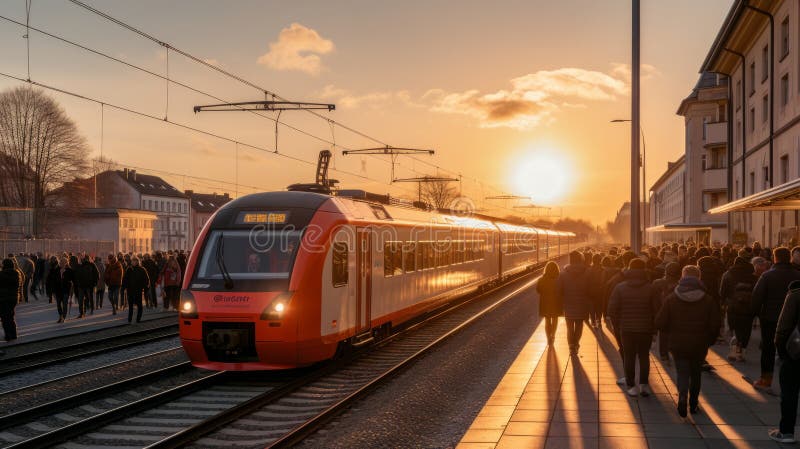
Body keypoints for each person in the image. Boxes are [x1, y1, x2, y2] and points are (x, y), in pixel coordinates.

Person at [655, 265, 720, 417]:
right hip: (699, 343)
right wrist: (709, 340)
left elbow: (660, 322)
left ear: (682, 277)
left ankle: (682, 396)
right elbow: (715, 324)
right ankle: (694, 403)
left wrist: (668, 333)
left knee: (682, 372)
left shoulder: (671, 298)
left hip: (678, 343)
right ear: (699, 278)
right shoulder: (708, 299)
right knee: (696, 373)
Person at [607, 258, 660, 397]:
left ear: (629, 269)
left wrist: (618, 324)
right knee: (644, 356)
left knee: (629, 356)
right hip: (645, 329)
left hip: (626, 329)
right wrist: (654, 329)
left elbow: (612, 309)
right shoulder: (651, 288)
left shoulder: (620, 287)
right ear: (644, 270)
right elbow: (657, 310)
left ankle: (631, 386)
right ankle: (643, 384)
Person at [751, 247, 800, 391]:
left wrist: (755, 314)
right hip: (793, 319)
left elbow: (757, 297)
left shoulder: (767, 276)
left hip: (770, 318)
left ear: (775, 258)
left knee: (768, 349)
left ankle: (766, 380)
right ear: (789, 258)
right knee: (793, 349)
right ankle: (792, 380)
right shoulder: (798, 275)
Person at [770, 280, 800, 443]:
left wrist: (782, 353)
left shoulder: (795, 295)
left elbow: (783, 328)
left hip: (796, 353)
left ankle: (787, 432)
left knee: (789, 392)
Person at [720, 256, 758, 362]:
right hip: (748, 308)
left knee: (735, 330)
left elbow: (722, 291)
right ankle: (740, 352)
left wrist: (723, 302)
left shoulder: (728, 274)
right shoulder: (753, 276)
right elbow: (757, 292)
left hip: (733, 306)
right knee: (745, 330)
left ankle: (734, 352)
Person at [558, 251, 591, 356]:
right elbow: (589, 289)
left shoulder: (563, 274)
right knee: (579, 325)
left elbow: (559, 290)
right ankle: (576, 344)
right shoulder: (587, 272)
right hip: (582, 305)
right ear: (581, 260)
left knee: (569, 327)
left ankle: (571, 346)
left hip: (568, 305)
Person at [652, 262, 681, 364]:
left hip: (660, 311)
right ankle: (674, 351)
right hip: (676, 313)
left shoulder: (657, 283)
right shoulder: (680, 283)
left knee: (663, 332)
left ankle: (664, 355)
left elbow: (653, 299)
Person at [536, 261, 562, 345]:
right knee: (555, 319)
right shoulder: (559, 279)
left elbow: (538, 290)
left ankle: (548, 338)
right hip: (556, 302)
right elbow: (562, 290)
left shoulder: (541, 279)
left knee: (547, 320)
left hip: (545, 303)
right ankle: (553, 335)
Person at [123, 257, 150, 323]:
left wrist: (145, 288)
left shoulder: (142, 269)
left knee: (139, 305)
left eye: (135, 261)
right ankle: (129, 319)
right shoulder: (129, 269)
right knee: (130, 306)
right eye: (133, 261)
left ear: (138, 262)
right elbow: (125, 279)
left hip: (138, 290)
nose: (134, 262)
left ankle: (138, 319)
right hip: (130, 290)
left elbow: (146, 280)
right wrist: (124, 287)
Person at [0, 258, 21, 341]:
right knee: (10, 316)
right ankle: (13, 334)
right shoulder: (16, 274)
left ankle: (8, 335)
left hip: (3, 299)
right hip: (13, 298)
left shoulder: (1, 274)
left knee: (5, 317)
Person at [54, 257, 75, 323]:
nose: (62, 263)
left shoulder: (69, 270)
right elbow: (53, 280)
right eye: (61, 262)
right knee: (58, 304)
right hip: (58, 289)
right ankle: (60, 315)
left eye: (63, 262)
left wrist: (71, 287)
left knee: (65, 304)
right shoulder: (57, 269)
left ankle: (63, 317)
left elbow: (73, 280)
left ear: (66, 263)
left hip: (66, 289)